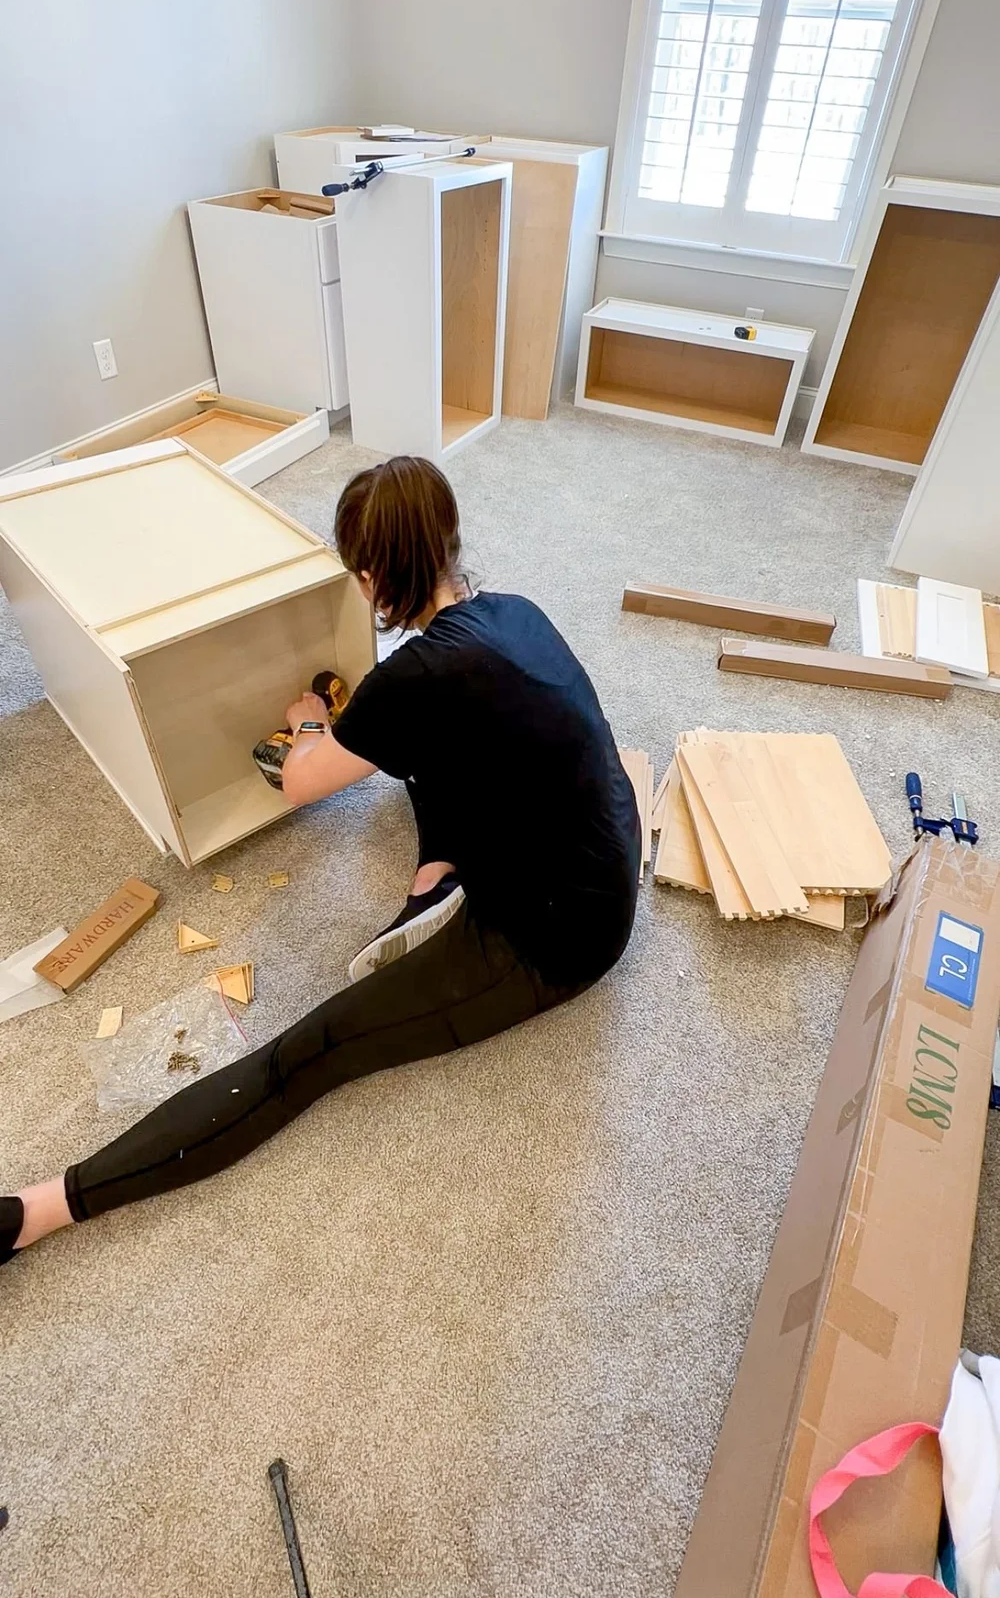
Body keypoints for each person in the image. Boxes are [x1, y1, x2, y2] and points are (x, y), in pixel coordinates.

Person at [1, 456, 640, 1263]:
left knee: (309, 1052)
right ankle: (437, 880)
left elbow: (303, 783)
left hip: (562, 938)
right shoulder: (513, 611)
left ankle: (43, 1209)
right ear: (448, 540)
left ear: (372, 575)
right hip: (606, 847)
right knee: (426, 750)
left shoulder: (418, 675)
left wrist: (309, 723)